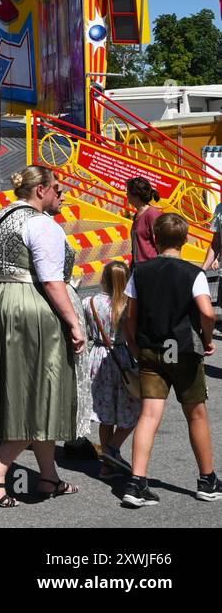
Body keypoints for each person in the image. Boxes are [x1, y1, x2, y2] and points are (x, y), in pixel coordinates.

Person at [0, 166, 85, 508]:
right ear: (41, 191)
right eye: (57, 189)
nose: (62, 195)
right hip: (29, 308)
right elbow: (50, 280)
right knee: (38, 390)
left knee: (19, 388)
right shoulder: (41, 223)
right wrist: (74, 323)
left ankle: (48, 476)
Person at [121, 212, 220, 506]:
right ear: (186, 239)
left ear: (154, 238)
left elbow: (130, 316)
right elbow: (207, 312)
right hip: (183, 349)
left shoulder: (140, 271)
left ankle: (136, 482)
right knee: (196, 414)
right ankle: (207, 479)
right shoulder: (194, 274)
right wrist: (208, 338)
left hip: (151, 348)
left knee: (149, 415)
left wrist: (135, 346)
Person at [82, 260, 140, 478]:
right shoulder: (127, 305)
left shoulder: (90, 302)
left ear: (104, 279)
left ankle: (107, 462)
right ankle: (113, 450)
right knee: (135, 408)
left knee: (106, 414)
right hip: (122, 357)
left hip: (97, 358)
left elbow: (86, 331)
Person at [127, 176, 162, 267]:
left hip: (150, 267)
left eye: (128, 192)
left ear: (136, 196)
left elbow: (161, 243)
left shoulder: (152, 214)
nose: (126, 195)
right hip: (138, 266)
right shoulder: (137, 214)